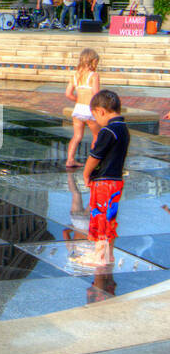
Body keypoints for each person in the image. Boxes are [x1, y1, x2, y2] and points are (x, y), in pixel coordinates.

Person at [73, 89, 129, 270]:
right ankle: (108, 254)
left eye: (95, 115)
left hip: (103, 182)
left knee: (100, 218)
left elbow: (95, 156)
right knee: (110, 218)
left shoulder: (108, 130)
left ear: (102, 111)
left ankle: (101, 256)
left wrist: (86, 173)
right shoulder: (123, 129)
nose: (96, 120)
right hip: (115, 180)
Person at [65, 48, 101, 170]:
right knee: (96, 136)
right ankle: (93, 162)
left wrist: (78, 99)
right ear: (93, 61)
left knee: (77, 136)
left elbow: (68, 94)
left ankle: (70, 159)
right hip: (90, 110)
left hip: (78, 109)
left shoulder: (75, 75)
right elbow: (96, 94)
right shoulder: (94, 75)